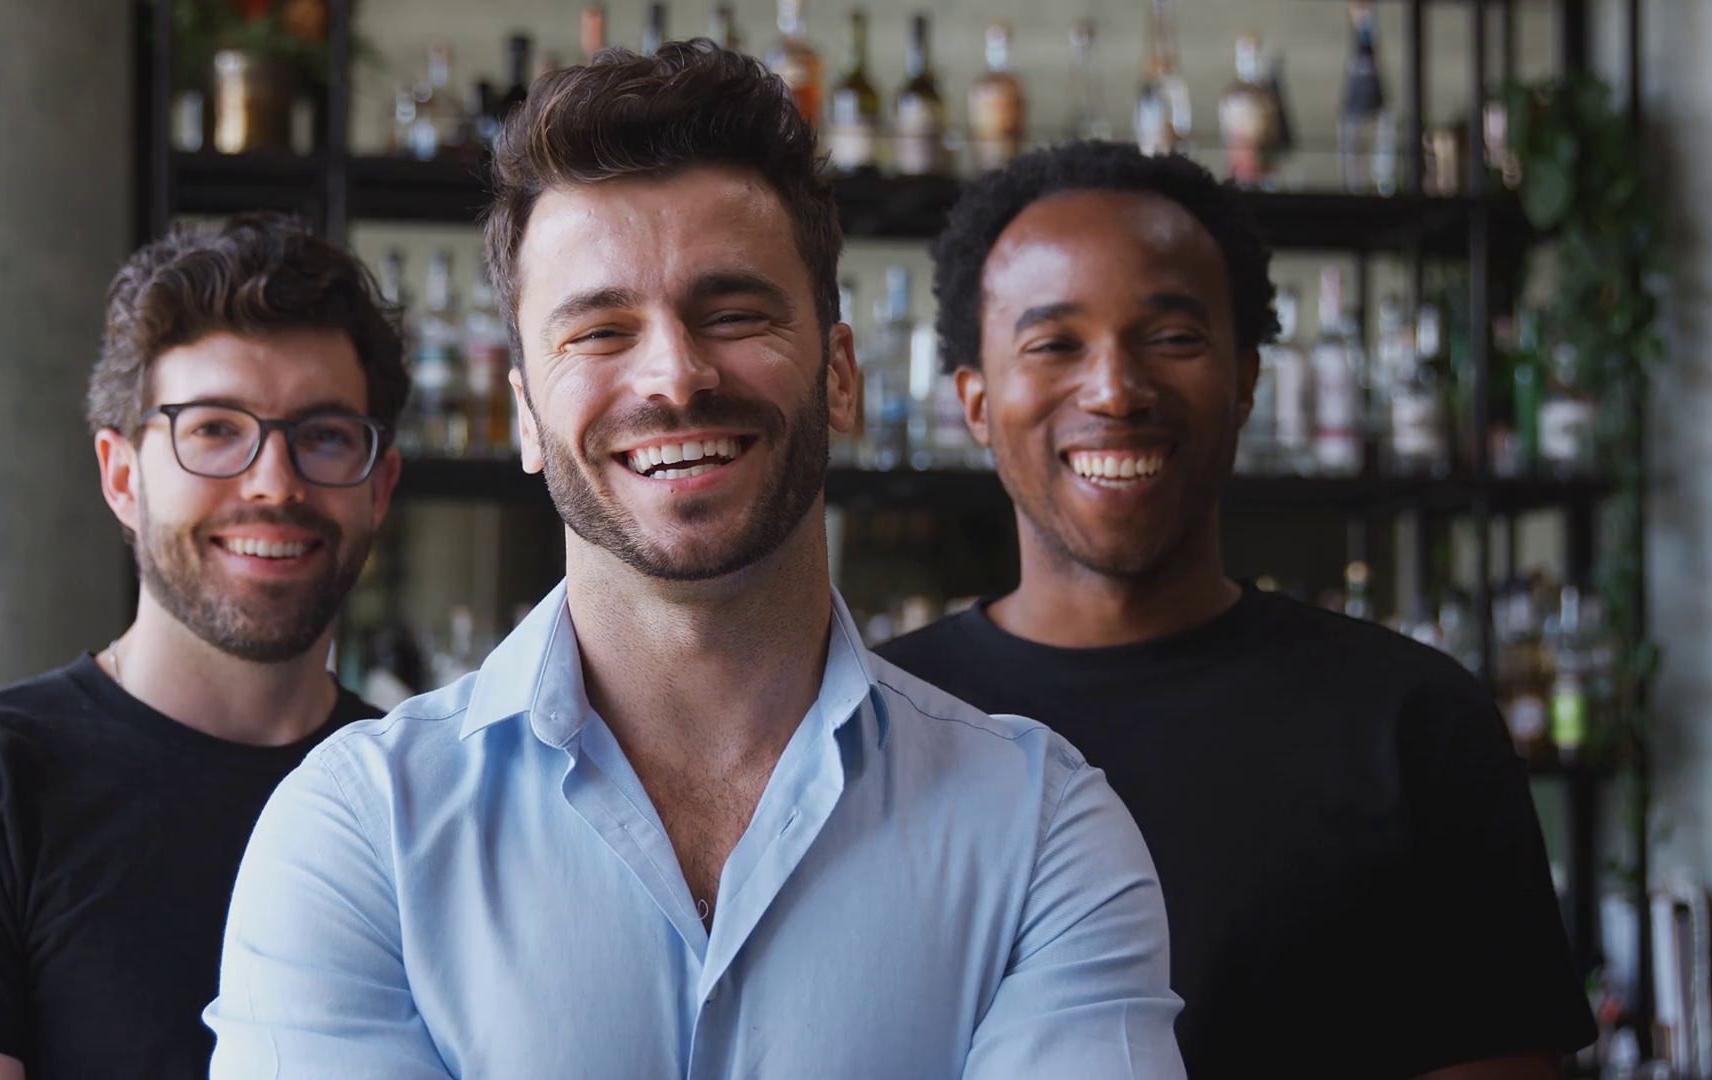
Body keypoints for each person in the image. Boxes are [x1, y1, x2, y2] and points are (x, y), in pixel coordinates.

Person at [205, 43, 1183, 1079]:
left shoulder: (1042, 826)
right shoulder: (359, 834)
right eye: (600, 330)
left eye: (734, 314)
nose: (675, 376)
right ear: (526, 415)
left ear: (840, 376)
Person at [876, 141, 1597, 1080]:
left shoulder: (1415, 721)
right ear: (975, 400)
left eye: (1171, 338)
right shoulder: (873, 722)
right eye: (1055, 344)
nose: (1114, 391)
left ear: (1248, 380)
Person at [0, 213, 407, 1080]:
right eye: (214, 429)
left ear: (380, 485)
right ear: (123, 477)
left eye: (323, 436)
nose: (275, 483)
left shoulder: (425, 792)